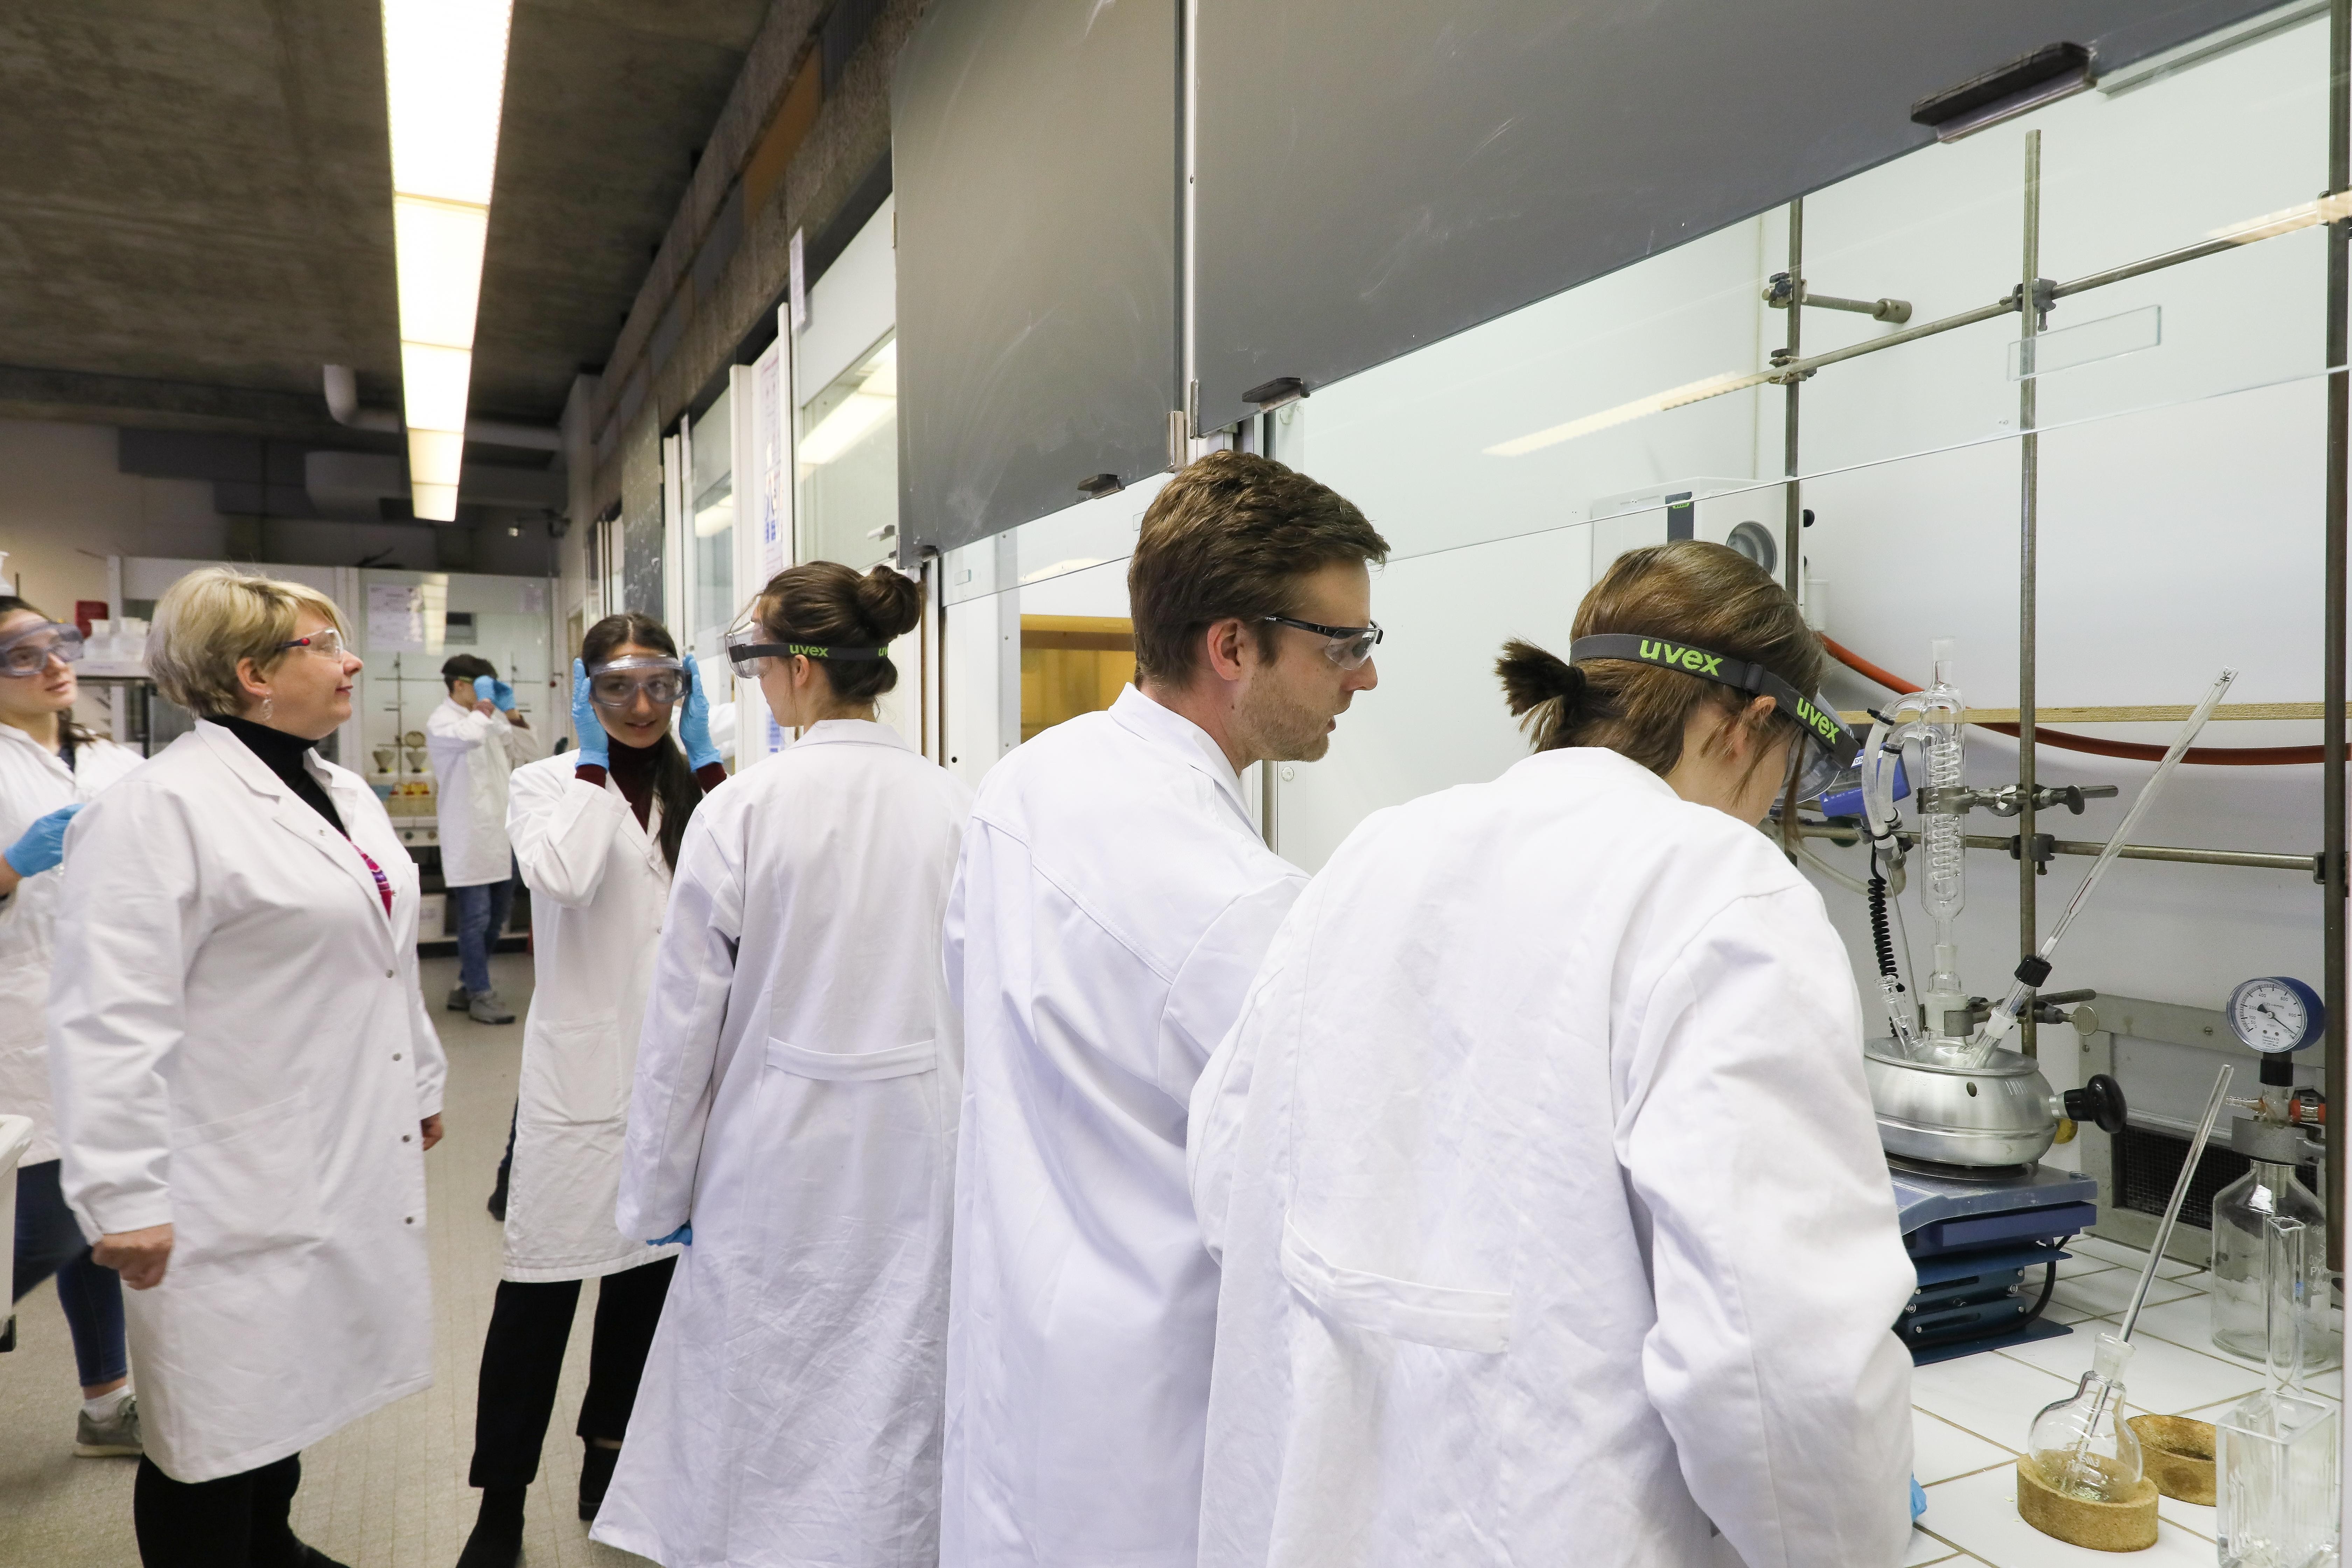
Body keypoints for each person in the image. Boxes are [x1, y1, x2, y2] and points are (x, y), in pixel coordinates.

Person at [1187, 540, 1916, 1567]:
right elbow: (1779, 1370)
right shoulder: (1720, 891)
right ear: (1748, 723)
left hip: (1317, 1513)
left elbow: (1227, 1172)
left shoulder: (1379, 848)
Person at [940, 450, 1389, 1567]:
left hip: (1022, 1360)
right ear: (1232, 646)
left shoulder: (1024, 784)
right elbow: (1326, 1196)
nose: (1365, 678)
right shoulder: (1241, 905)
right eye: (1344, 646)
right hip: (1154, 1426)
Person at [47, 567, 447, 1568]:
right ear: (254, 674)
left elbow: (385, 951)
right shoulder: (159, 810)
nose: (352, 662)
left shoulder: (336, 789)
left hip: (326, 1138)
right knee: (209, 1431)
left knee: (283, 1394)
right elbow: (109, 1017)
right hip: (220, 1173)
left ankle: (273, 1546)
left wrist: (422, 1081)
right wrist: (124, 1194)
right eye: (326, 645)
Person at [593, 562, 969, 1568]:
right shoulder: (956, 805)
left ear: (801, 666)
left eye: (757, 662)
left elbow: (683, 1030)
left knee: (765, 1402)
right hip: (923, 1161)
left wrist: (657, 1192)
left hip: (774, 1168)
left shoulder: (746, 810)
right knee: (896, 1400)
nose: (756, 684)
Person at [454, 614, 724, 1568]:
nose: (641, 705)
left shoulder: (703, 791)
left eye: (660, 685)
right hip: (578, 1082)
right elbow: (564, 879)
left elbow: (746, 896)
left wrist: (712, 768)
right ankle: (500, 1507)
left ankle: (607, 1462)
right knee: (537, 1299)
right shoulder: (548, 783)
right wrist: (595, 769)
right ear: (584, 693)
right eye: (616, 686)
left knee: (646, 1287)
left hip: (680, 1079)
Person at [0, 597, 145, 1457]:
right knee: (50, 1229)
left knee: (102, 1225)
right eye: (22, 655)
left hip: (115, 1020)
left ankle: (106, 1404)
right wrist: (10, 867)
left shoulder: (114, 762)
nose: (54, 663)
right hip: (22, 1027)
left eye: (56, 643)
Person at [427, 652, 541, 1023]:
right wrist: (486, 708)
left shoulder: (489, 719)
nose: (486, 696)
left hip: (502, 835)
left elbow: (528, 753)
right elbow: (470, 736)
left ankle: (466, 986)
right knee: (475, 920)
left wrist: (511, 713)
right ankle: (480, 992)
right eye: (481, 687)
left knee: (498, 919)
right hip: (470, 837)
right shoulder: (442, 722)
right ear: (460, 686)